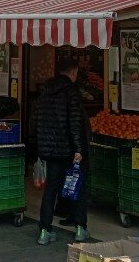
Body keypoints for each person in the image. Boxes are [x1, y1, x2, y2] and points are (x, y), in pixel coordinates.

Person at [35, 58, 90, 245]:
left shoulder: (45, 91)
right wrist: (78, 148)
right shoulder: (71, 92)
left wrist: (40, 146)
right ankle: (80, 228)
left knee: (51, 189)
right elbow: (74, 122)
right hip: (68, 150)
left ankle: (44, 230)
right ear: (73, 73)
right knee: (78, 186)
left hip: (49, 150)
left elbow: (37, 120)